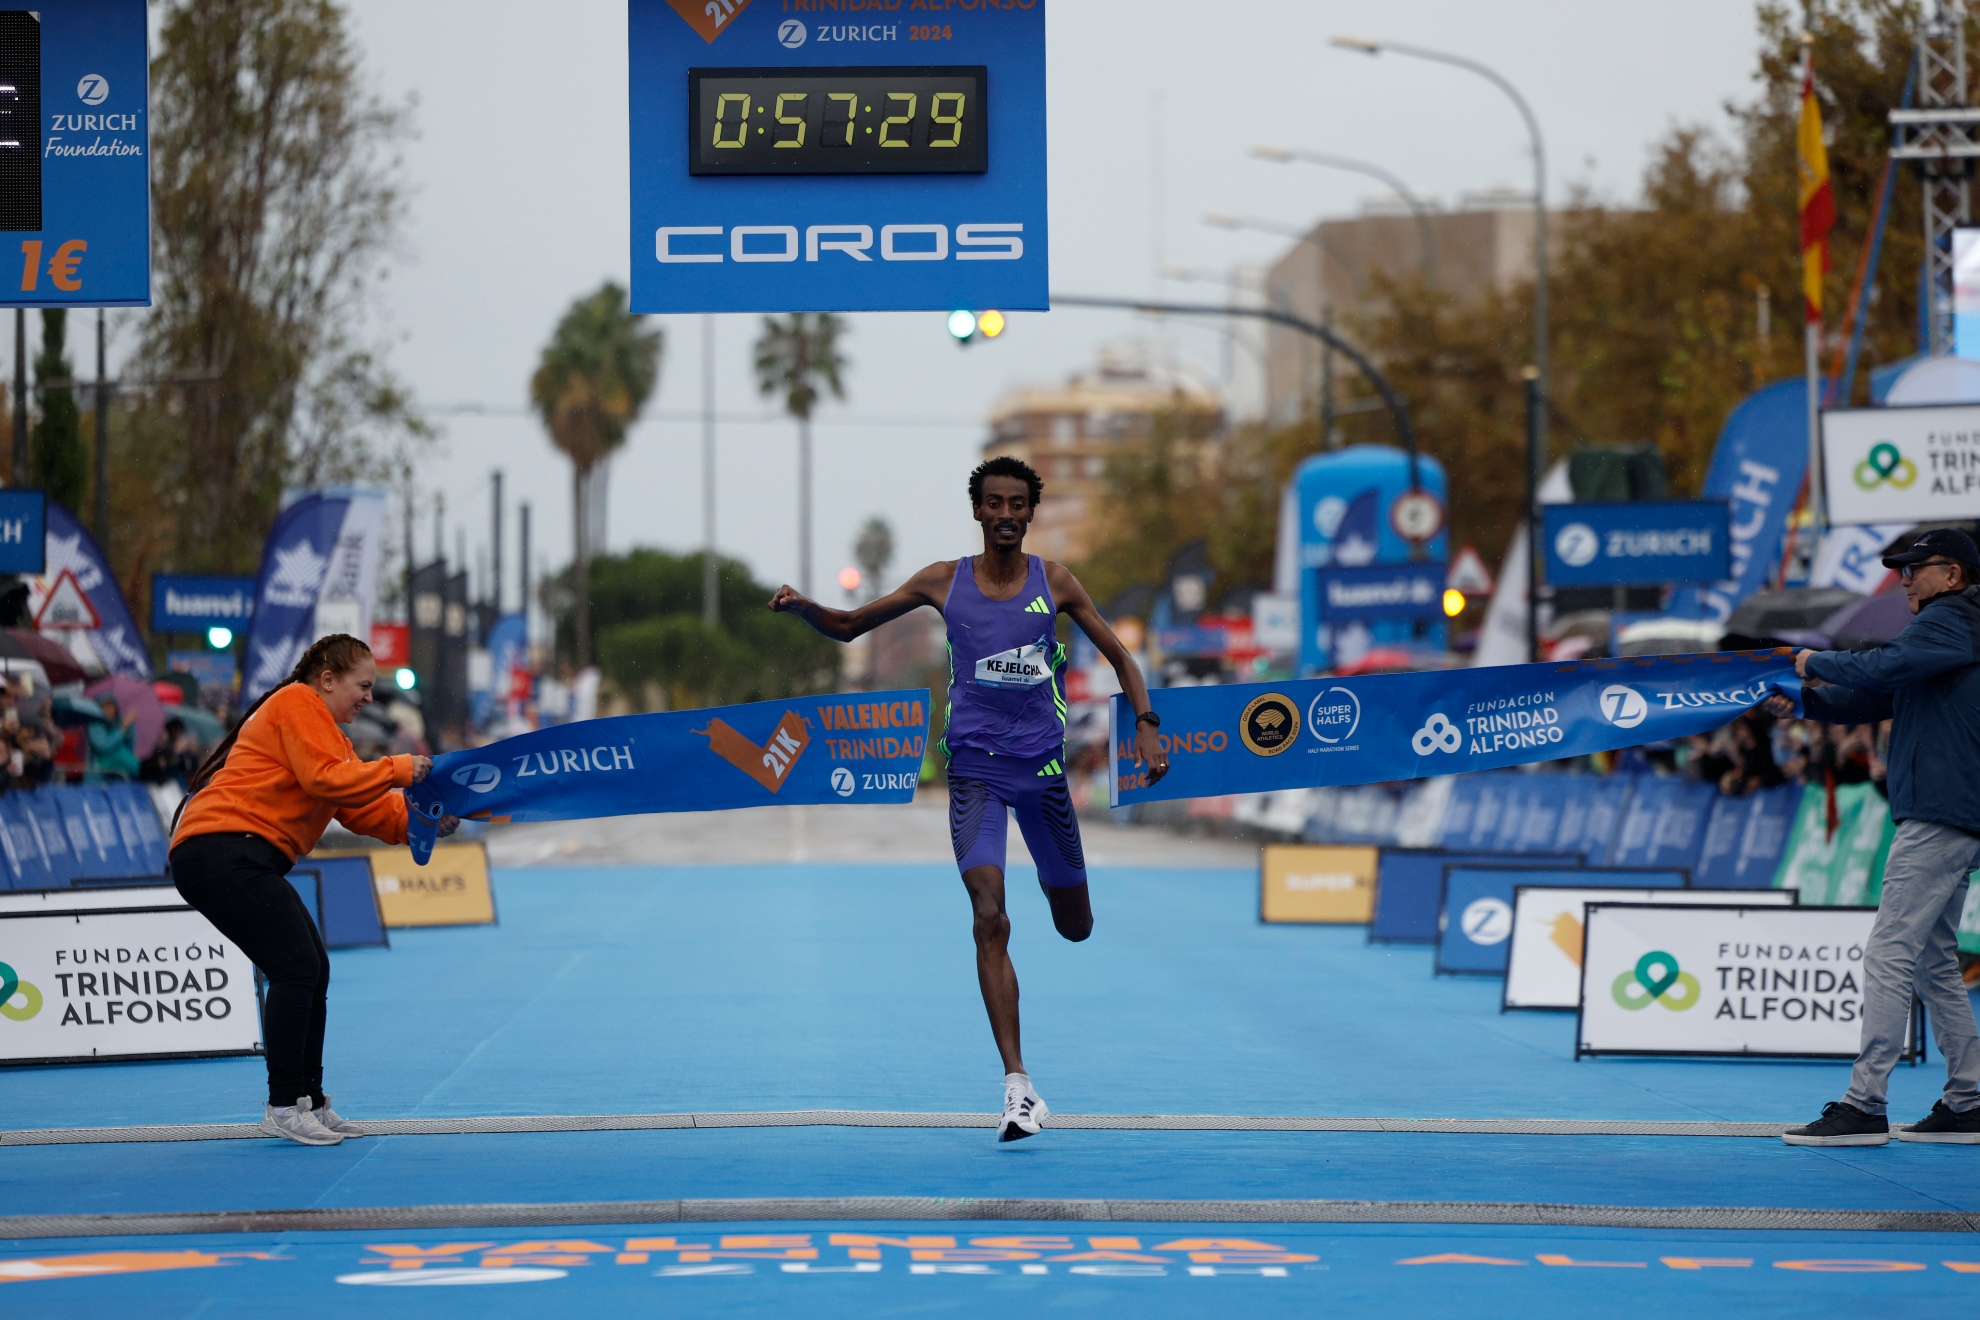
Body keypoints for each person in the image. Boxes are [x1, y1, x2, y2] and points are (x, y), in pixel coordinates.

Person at [771, 455, 1170, 1142]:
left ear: (1030, 513)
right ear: (979, 510)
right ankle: (1019, 1089)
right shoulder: (941, 581)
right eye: (996, 504)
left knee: (1075, 924)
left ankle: (1058, 889)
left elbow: (1122, 658)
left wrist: (1148, 726)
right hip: (977, 773)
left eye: (1019, 504)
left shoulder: (1058, 583)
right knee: (990, 918)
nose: (1008, 515)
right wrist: (806, 608)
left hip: (1042, 776)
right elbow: (848, 626)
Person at [170, 634, 459, 1146]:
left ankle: (308, 1100)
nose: (369, 697)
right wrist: (398, 768)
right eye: (363, 686)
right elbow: (329, 781)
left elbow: (360, 807)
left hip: (237, 853)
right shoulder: (297, 703)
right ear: (327, 680)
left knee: (312, 966)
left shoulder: (329, 733)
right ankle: (284, 1104)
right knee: (295, 965)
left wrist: (423, 823)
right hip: (219, 850)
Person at [1767, 528, 1980, 1146]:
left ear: (1955, 575)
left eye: (1917, 568)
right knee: (1935, 959)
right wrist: (1806, 703)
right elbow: (1876, 693)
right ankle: (1968, 1101)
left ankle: (1865, 1104)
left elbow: (1882, 666)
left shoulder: (1953, 620)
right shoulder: (1950, 633)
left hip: (1940, 813)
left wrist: (1813, 661)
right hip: (1951, 810)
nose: (1904, 578)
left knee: (1888, 953)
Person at [87, 696, 140, 781]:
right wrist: (122, 729)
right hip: (97, 778)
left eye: (111, 707)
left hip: (117, 777)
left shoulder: (117, 724)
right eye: (105, 707)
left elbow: (129, 748)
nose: (109, 710)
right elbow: (103, 746)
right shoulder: (95, 724)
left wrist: (130, 726)